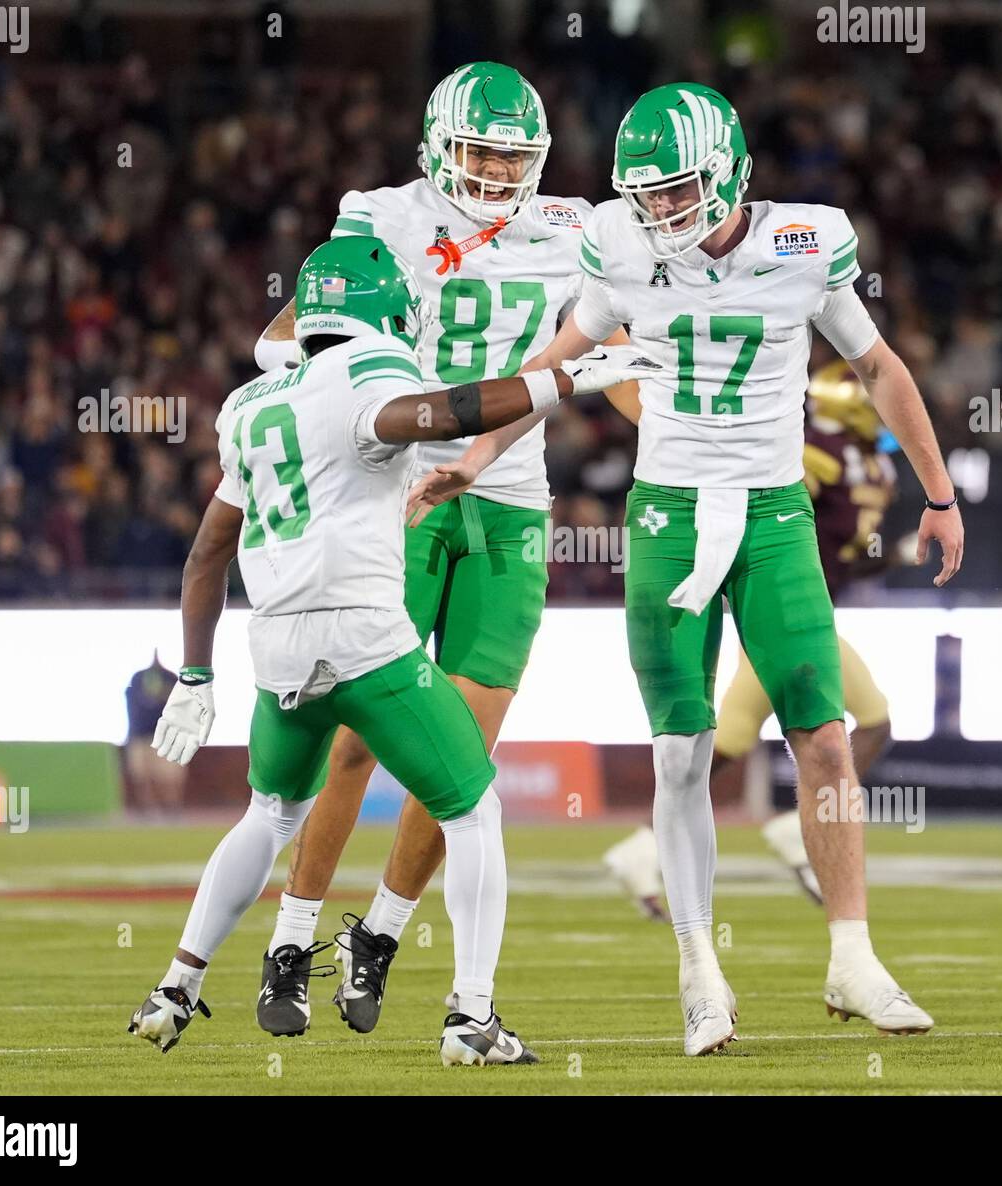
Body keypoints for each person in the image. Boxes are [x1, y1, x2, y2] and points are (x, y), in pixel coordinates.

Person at [409, 83, 963, 1055]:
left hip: (771, 514)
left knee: (826, 740)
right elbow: (560, 360)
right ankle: (698, 969)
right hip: (665, 515)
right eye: (646, 193)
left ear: (731, 169)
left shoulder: (805, 241)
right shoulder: (616, 243)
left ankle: (851, 952)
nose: (660, 210)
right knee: (680, 753)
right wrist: (477, 455)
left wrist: (938, 492)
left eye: (678, 189)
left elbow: (876, 366)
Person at [127, 233, 656, 1064]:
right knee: (472, 806)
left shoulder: (249, 402)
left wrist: (195, 675)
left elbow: (204, 557)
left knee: (268, 814)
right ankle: (471, 1017)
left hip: (279, 653)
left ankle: (176, 985)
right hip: (366, 639)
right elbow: (433, 416)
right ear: (383, 312)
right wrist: (567, 378)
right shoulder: (369, 370)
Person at [252, 61, 638, 1037]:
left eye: (517, 157)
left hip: (508, 503)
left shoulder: (574, 229)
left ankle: (379, 933)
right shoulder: (379, 216)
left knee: (461, 756)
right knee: (353, 736)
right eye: (483, 152)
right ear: (436, 145)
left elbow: (616, 354)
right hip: (397, 493)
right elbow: (292, 330)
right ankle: (291, 942)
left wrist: (681, 426)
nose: (502, 174)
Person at [602, 360, 900, 915]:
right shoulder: (810, 453)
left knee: (731, 738)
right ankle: (790, 828)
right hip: (777, 606)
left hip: (805, 608)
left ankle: (642, 847)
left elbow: (844, 550)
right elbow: (762, 524)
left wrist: (890, 555)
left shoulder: (873, 462)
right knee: (871, 719)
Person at [123, 650, 185, 816]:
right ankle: (148, 810)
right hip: (140, 735)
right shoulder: (137, 679)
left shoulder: (170, 678)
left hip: (165, 736)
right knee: (142, 775)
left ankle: (172, 809)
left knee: (168, 777)